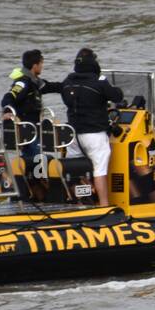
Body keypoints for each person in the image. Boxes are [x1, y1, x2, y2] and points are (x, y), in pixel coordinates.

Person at [61, 48, 124, 207]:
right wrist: (103, 80)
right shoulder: (98, 80)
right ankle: (104, 206)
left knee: (75, 170)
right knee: (99, 170)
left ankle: (78, 205)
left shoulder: (69, 81)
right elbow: (117, 96)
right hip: (94, 135)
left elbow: (62, 93)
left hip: (73, 134)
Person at [1, 49, 61, 200]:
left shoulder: (35, 82)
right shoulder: (23, 82)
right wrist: (8, 110)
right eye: (41, 63)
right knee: (37, 161)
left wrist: (69, 85)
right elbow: (9, 97)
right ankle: (37, 194)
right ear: (35, 65)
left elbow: (51, 87)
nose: (42, 66)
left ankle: (35, 194)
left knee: (35, 162)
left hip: (35, 129)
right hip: (28, 132)